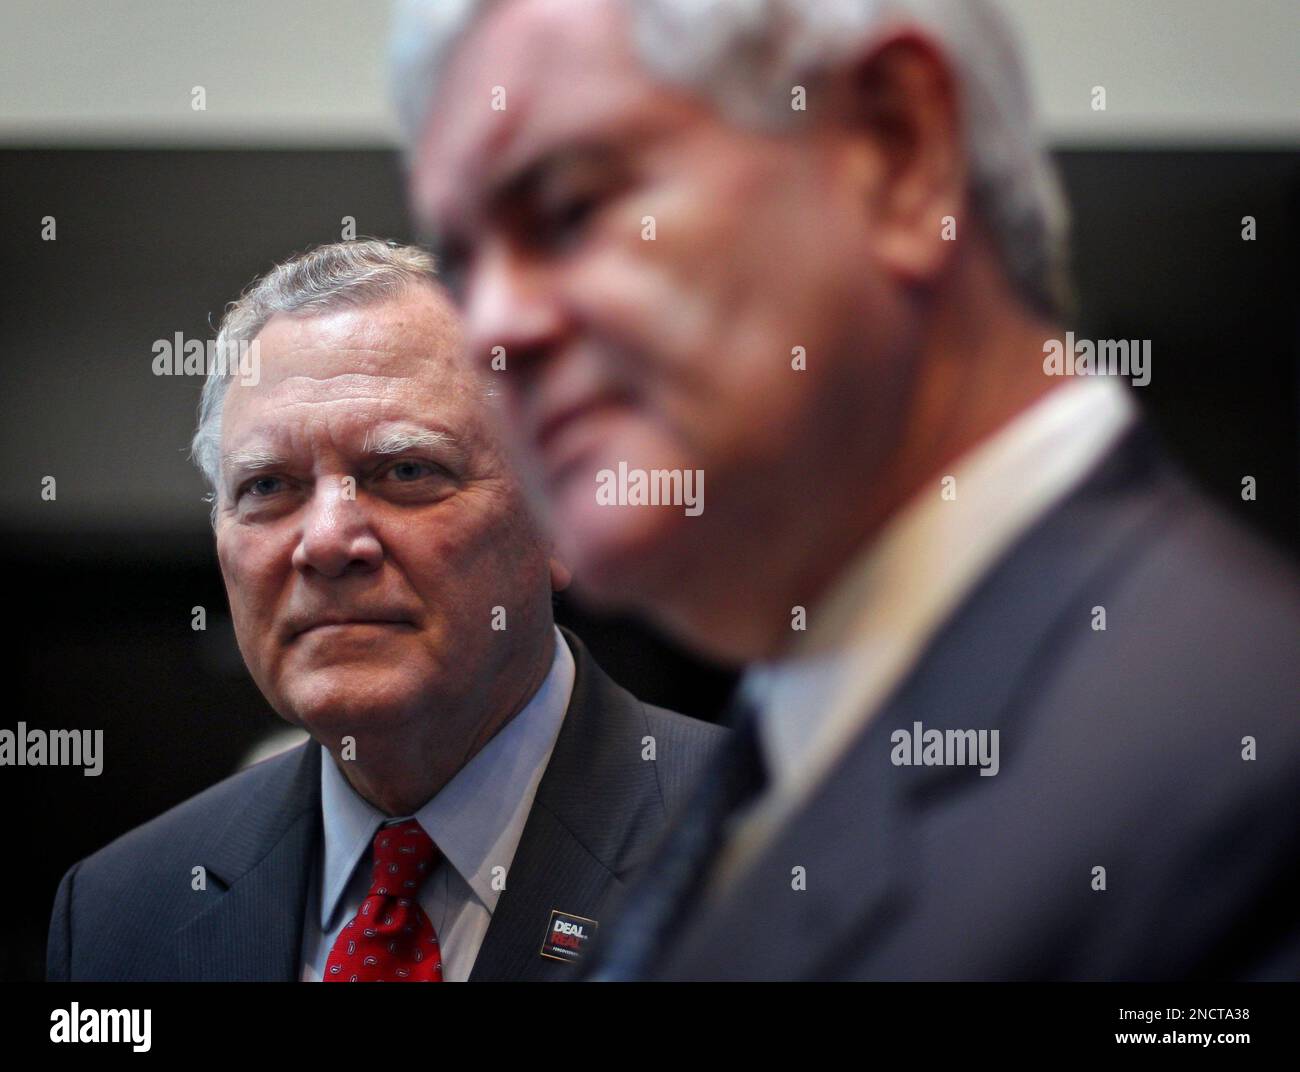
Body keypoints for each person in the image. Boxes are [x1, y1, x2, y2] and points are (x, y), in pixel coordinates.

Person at [392, 0, 1300, 979]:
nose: (491, 329)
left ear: (897, 153)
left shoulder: (1249, 772)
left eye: (569, 210)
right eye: (465, 266)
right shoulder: (775, 755)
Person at [45, 239, 725, 982]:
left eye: (406, 471)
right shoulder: (123, 913)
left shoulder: (779, 838)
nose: (328, 541)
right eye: (269, 487)